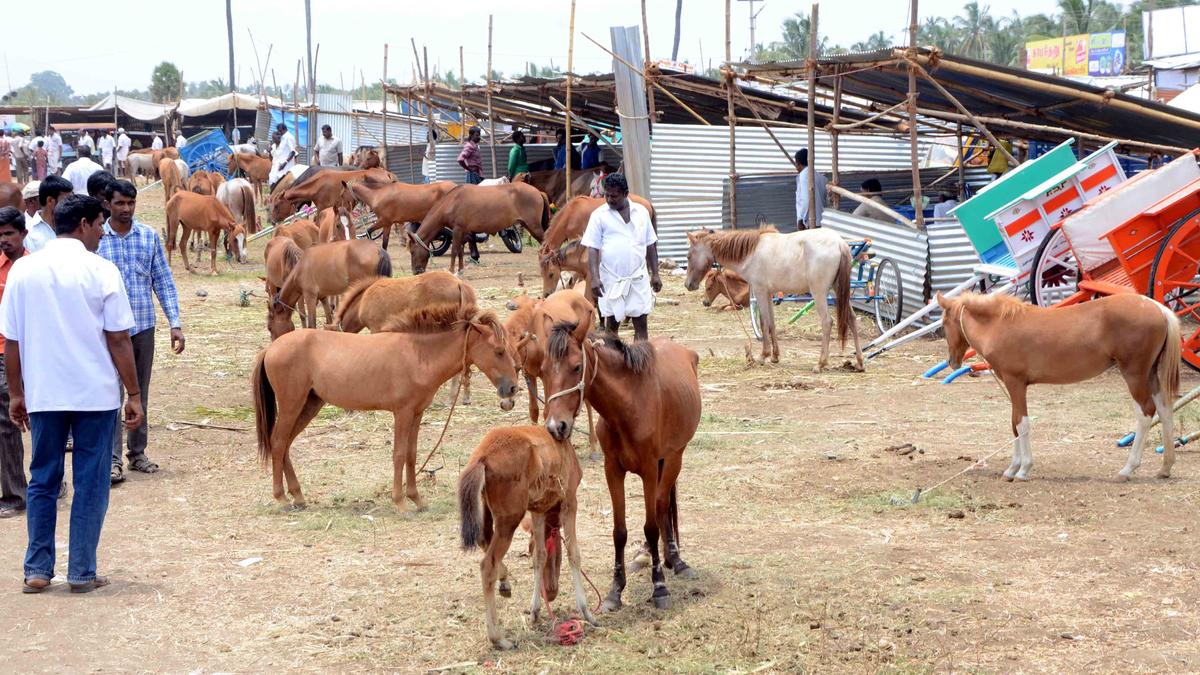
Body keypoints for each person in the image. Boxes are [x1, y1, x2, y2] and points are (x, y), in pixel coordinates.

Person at [0, 193, 142, 594]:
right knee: (90, 482)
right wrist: (134, 393)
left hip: (44, 393)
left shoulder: (24, 270)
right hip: (94, 395)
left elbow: (12, 341)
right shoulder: (101, 270)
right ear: (82, 224)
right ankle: (81, 570)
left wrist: (16, 394)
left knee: (43, 479)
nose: (102, 232)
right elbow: (118, 339)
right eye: (99, 224)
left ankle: (37, 569)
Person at [97, 180, 183, 483]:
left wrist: (175, 323)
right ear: (107, 204)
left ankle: (137, 453)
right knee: (110, 394)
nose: (126, 209)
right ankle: (112, 460)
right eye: (119, 203)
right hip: (107, 331)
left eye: (130, 203)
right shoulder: (97, 238)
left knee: (139, 391)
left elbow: (163, 281)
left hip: (142, 326)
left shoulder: (148, 236)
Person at [582, 172, 661, 342]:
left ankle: (641, 358)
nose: (609, 200)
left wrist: (655, 274)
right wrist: (595, 278)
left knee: (641, 325)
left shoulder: (641, 212)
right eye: (607, 195)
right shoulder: (599, 216)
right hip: (611, 279)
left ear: (625, 194)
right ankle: (614, 358)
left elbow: (650, 245)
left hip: (637, 277)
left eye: (614, 196)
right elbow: (593, 248)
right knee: (611, 328)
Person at [0, 208, 28, 518]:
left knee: (47, 419)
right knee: (7, 423)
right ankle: (15, 495)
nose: (4, 240)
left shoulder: (36, 268)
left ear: (23, 234)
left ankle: (52, 482)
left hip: (36, 353)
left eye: (9, 233)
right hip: (4, 353)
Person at [25, 176, 71, 253]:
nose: (70, 205)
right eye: (66, 201)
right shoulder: (28, 232)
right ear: (50, 201)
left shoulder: (73, 228)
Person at [794, 148, 827, 229]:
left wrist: (801, 219)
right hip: (821, 220)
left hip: (810, 222)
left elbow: (806, 200)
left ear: (798, 163)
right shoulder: (822, 178)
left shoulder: (803, 176)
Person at [269, 123, 297, 187]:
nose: (279, 132)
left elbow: (293, 152)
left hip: (285, 166)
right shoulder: (283, 138)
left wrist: (284, 163)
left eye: (280, 130)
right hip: (279, 166)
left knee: (283, 184)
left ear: (284, 129)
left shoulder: (289, 137)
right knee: (274, 182)